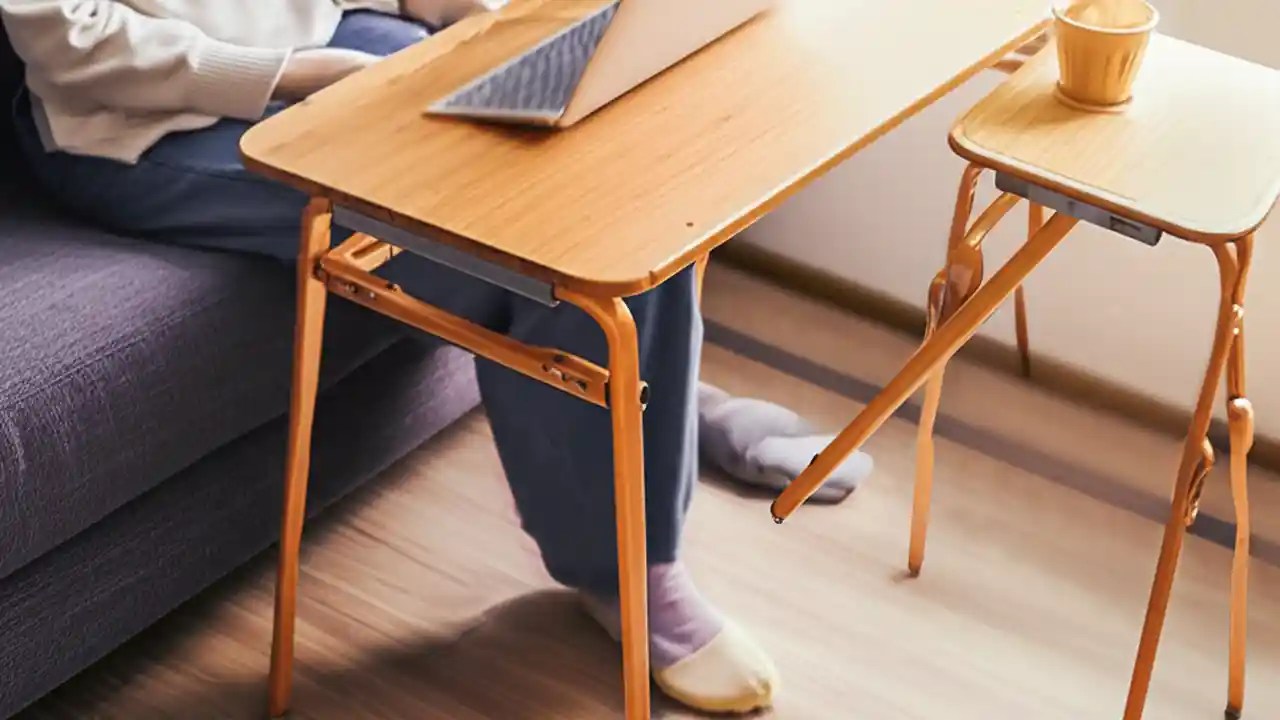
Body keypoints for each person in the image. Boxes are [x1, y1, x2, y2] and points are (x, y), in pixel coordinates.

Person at [2, 1, 872, 713]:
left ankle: (667, 400)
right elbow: (69, 38)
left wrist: (445, 12)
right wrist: (302, 78)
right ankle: (632, 572)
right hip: (137, 121)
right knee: (510, 230)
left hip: (330, 37)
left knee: (609, 154)